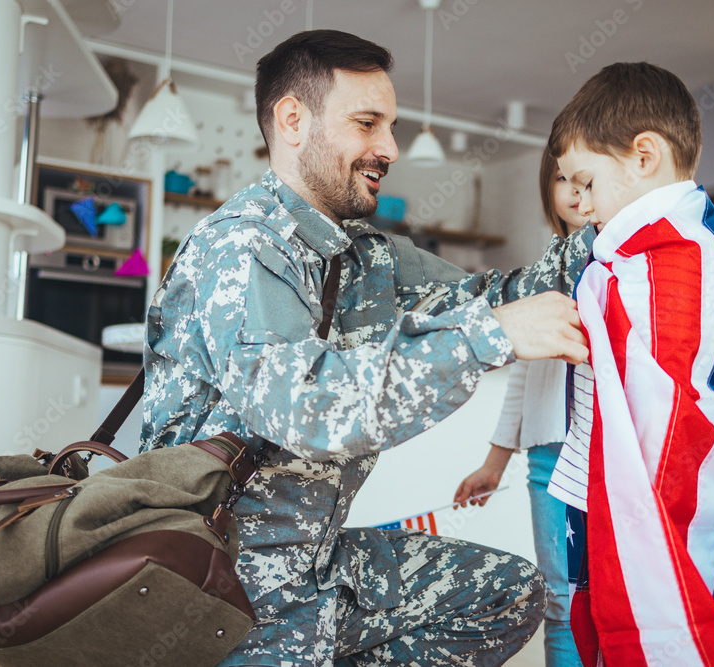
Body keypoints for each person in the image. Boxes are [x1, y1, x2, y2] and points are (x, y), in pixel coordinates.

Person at [142, 30, 589, 666]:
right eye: (367, 123)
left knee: (506, 595)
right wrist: (494, 337)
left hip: (314, 564)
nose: (390, 148)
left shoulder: (364, 255)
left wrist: (612, 218)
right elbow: (304, 408)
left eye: (392, 126)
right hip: (228, 581)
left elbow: (491, 294)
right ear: (292, 120)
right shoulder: (240, 247)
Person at [547, 62, 714, 665]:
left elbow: (670, 406)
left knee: (643, 629)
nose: (579, 206)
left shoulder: (674, 254)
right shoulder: (621, 257)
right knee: (593, 617)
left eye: (584, 182)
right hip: (594, 486)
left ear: (644, 157)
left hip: (641, 497)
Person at [453, 147, 595, 666]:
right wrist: (494, 463)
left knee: (609, 600)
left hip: (607, 457)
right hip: (548, 455)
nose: (576, 192)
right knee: (561, 599)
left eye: (587, 178)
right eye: (562, 179)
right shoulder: (545, 273)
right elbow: (525, 375)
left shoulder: (618, 267)